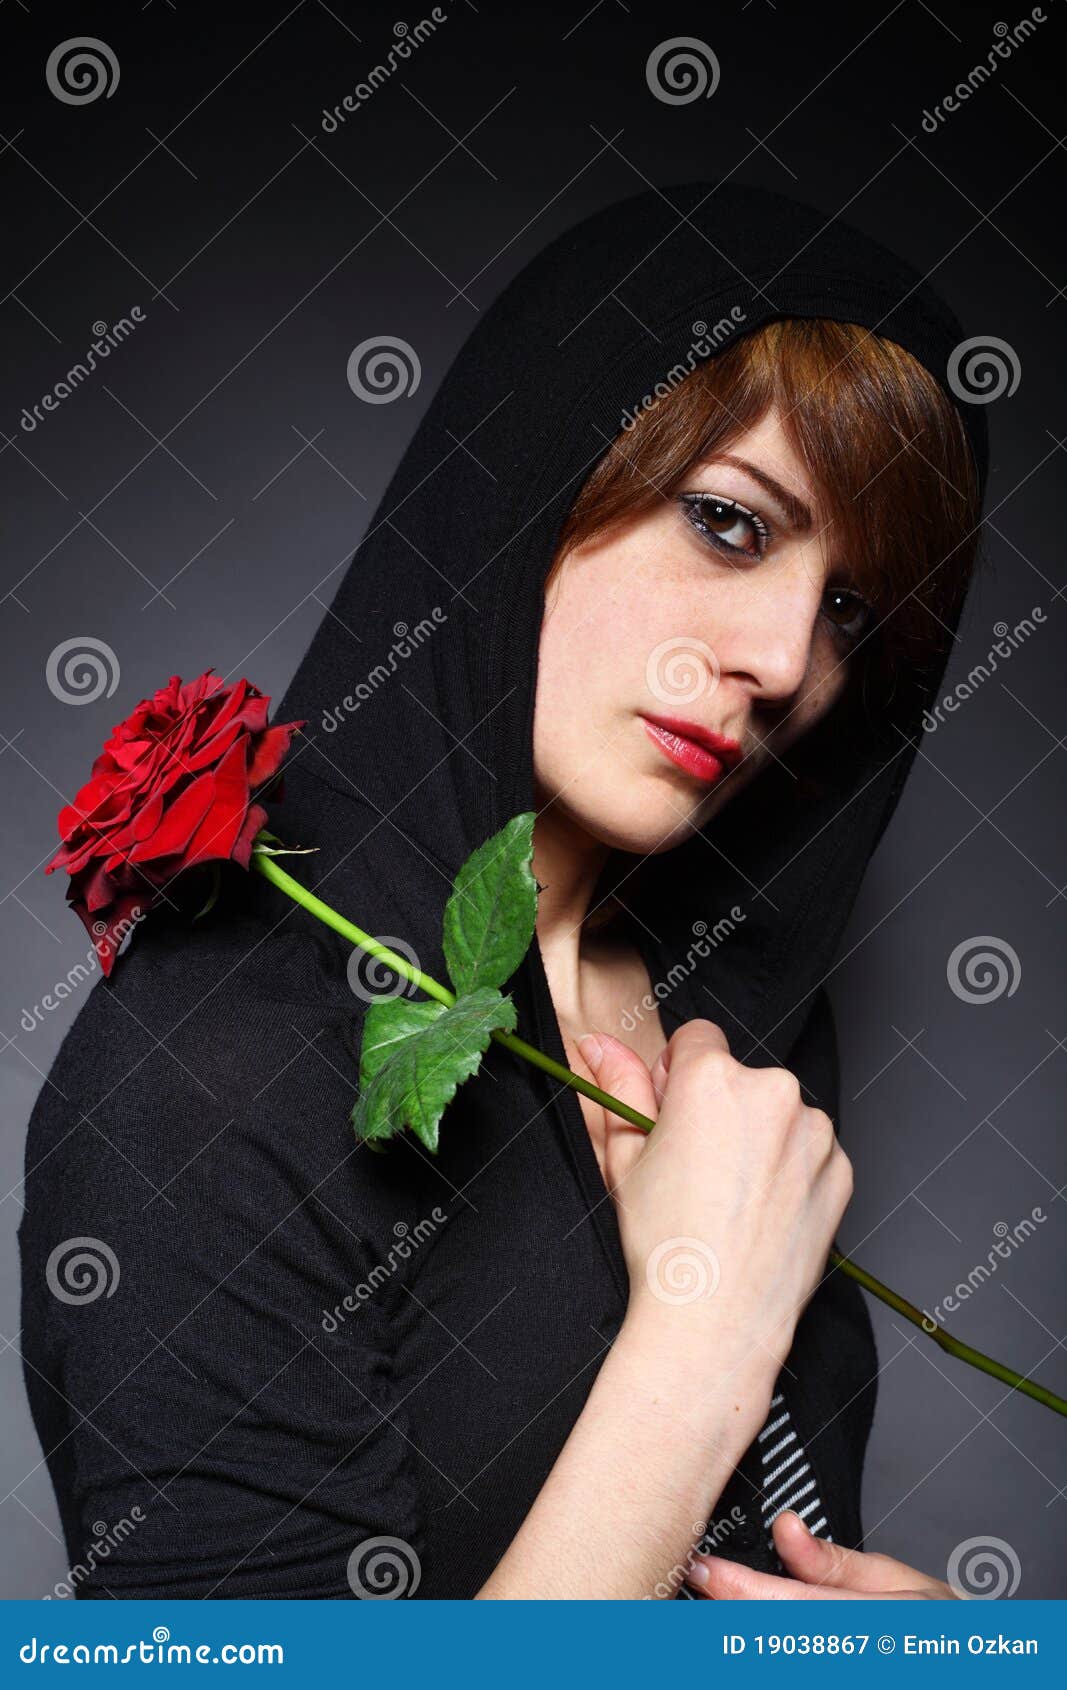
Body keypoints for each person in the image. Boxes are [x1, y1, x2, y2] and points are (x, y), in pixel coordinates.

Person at [20, 181, 986, 1599]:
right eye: (728, 521)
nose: (786, 658)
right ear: (535, 471)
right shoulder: (207, 1079)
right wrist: (697, 1343)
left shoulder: (734, 1034)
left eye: (850, 608)